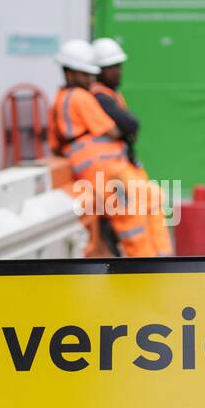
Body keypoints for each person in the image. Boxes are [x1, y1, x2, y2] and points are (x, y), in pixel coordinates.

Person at [48, 39, 161, 257]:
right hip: (105, 172)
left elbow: (55, 144)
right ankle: (144, 266)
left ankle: (145, 262)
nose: (89, 79)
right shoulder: (81, 98)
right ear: (70, 72)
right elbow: (115, 131)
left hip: (99, 172)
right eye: (85, 74)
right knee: (132, 214)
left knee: (140, 206)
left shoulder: (61, 99)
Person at [90, 37, 172, 256]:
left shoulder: (110, 95)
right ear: (98, 71)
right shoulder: (99, 96)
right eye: (111, 68)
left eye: (118, 67)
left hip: (121, 165)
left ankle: (160, 256)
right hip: (109, 171)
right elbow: (130, 124)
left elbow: (130, 126)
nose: (117, 72)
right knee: (135, 211)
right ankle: (142, 262)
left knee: (153, 197)